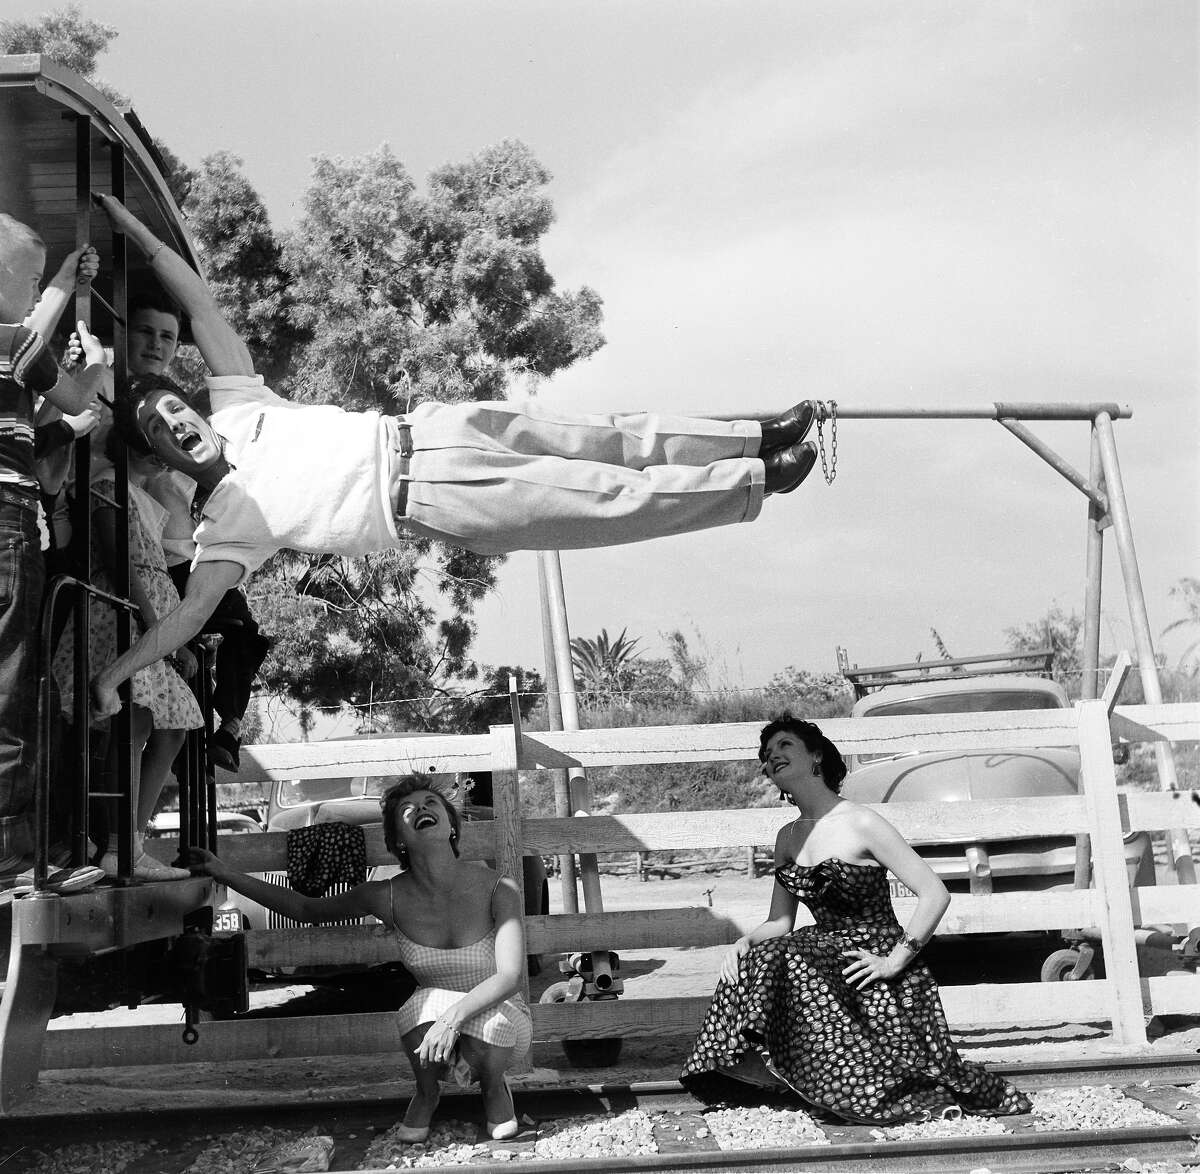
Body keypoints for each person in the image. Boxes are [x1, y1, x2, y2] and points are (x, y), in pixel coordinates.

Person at [88, 193, 822, 722]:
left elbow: (205, 308)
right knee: (603, 499)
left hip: (433, 429)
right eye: (159, 428)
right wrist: (116, 675)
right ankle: (755, 482)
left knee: (608, 437)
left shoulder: (241, 403)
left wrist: (138, 233)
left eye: (172, 404)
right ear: (156, 458)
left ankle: (754, 436)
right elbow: (186, 618)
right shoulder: (229, 530)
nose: (178, 422)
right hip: (430, 502)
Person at [679, 714, 1031, 1124]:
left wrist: (895, 960)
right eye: (766, 754)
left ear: (815, 756)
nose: (772, 757)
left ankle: (824, 1078)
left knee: (786, 957)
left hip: (872, 956)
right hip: (822, 953)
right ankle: (778, 1072)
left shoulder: (861, 822)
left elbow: (934, 893)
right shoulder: (787, 838)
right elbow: (779, 921)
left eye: (784, 746)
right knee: (760, 957)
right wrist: (744, 943)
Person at [187, 774, 531, 1141]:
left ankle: (494, 1089)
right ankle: (427, 1094)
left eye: (432, 804)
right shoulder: (386, 896)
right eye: (407, 808)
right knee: (416, 1008)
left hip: (503, 1014)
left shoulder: (499, 886)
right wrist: (225, 873)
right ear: (398, 839)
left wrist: (451, 1018)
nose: (421, 809)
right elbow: (304, 908)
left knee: (483, 1020)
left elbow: (509, 977)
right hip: (433, 1018)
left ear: (451, 826)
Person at [69, 294, 272, 772]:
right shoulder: (95, 390)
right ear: (122, 333)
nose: (157, 344)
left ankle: (224, 729)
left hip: (169, 561)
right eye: (145, 332)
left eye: (167, 336)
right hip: (118, 560)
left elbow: (195, 488)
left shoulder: (174, 410)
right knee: (138, 709)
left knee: (236, 637)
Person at [52, 360, 202, 880]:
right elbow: (123, 565)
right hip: (119, 612)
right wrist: (157, 623)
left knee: (171, 725)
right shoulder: (107, 487)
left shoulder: (150, 502)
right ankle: (118, 845)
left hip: (150, 612)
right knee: (135, 723)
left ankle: (129, 842)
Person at [0, 213, 105, 876]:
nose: (36, 293)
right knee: (11, 687)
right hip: (6, 525)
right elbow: (70, 398)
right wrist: (95, 371)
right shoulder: (15, 340)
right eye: (29, 280)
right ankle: (11, 853)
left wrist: (65, 282)